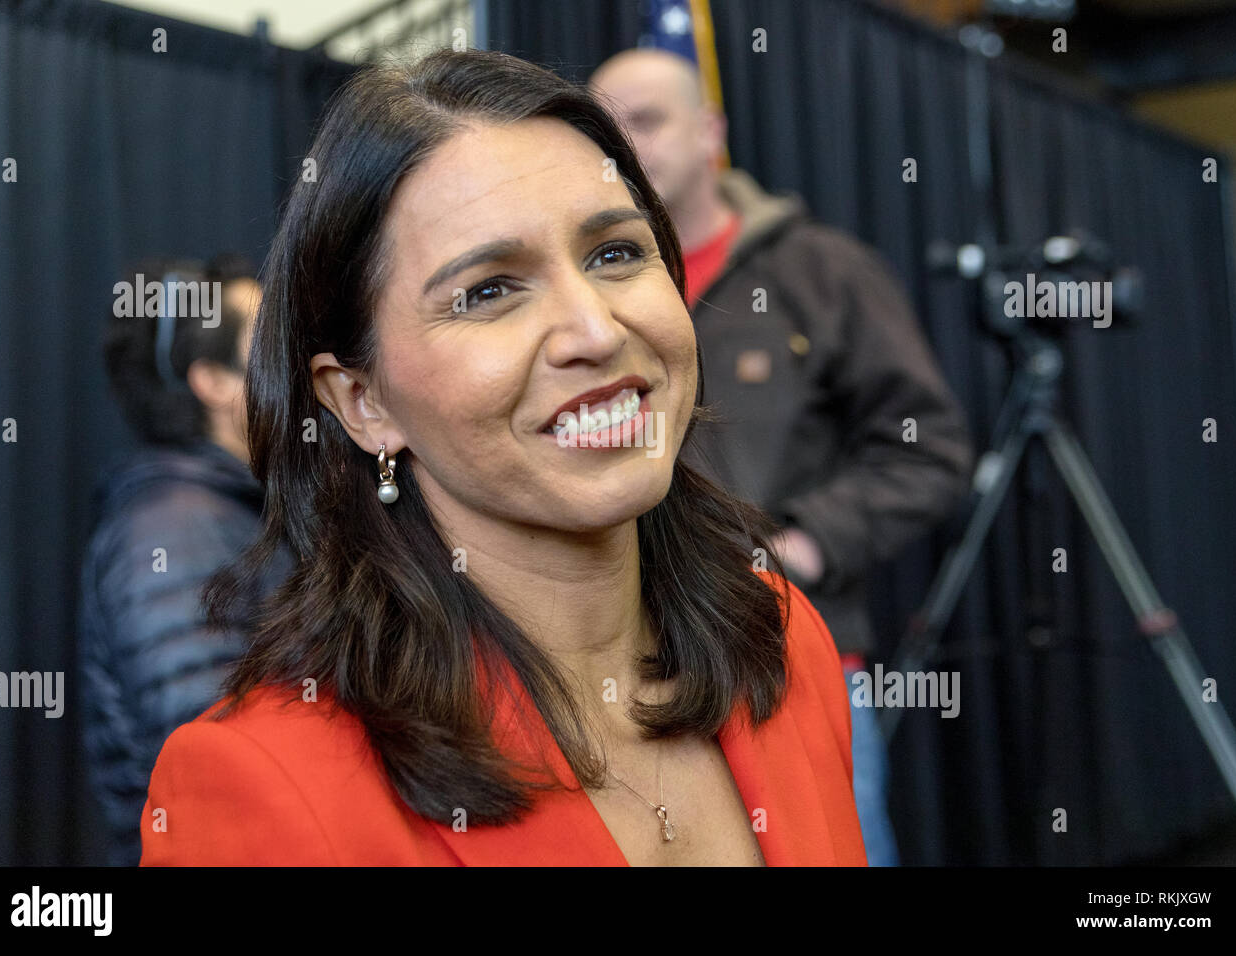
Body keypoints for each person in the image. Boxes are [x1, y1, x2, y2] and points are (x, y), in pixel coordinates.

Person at [139, 48, 867, 866]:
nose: (595, 331)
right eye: (489, 290)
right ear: (364, 402)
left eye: (616, 253)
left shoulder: (781, 638)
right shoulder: (261, 786)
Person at [590, 49, 974, 866]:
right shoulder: (588, 299)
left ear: (711, 132)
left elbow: (928, 448)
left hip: (790, 656)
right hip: (619, 676)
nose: (626, 145)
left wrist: (805, 545)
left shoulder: (820, 271)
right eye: (606, 128)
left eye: (647, 120)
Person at [79, 254, 292, 866]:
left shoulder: (228, 509)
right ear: (214, 381)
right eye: (271, 341)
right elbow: (224, 789)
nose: (297, 357)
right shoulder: (173, 530)